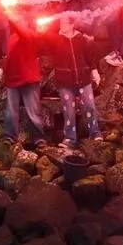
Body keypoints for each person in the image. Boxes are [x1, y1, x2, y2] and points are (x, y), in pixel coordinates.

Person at [39, 16, 101, 149]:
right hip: (64, 82)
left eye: (64, 23)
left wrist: (95, 71)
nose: (61, 25)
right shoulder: (55, 39)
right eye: (60, 23)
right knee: (69, 111)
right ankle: (70, 139)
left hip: (84, 80)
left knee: (90, 107)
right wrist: (42, 31)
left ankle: (95, 133)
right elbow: (44, 42)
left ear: (72, 24)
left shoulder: (82, 39)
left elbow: (89, 56)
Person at [0, 9, 49, 148]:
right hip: (13, 79)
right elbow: (9, 58)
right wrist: (3, 71)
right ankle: (10, 136)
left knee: (33, 111)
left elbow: (22, 30)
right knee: (11, 110)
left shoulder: (30, 34)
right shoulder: (12, 38)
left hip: (29, 78)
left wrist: (10, 14)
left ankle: (39, 138)